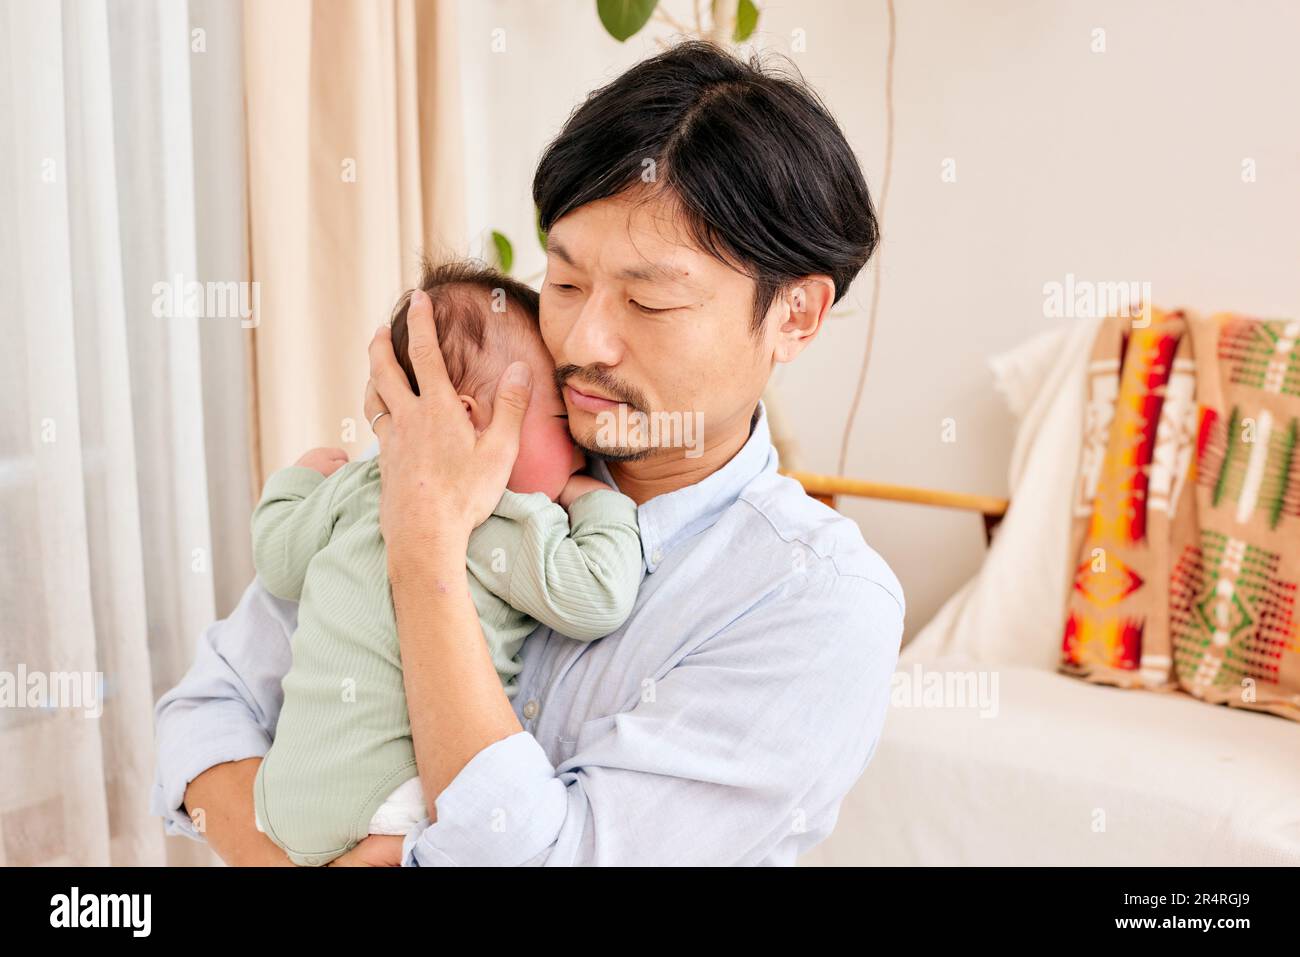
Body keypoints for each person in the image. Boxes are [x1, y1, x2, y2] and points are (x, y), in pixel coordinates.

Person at [152, 39, 905, 866]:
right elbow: (203, 710)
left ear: (795, 315)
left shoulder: (816, 602)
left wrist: (426, 545)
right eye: (568, 282)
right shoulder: (458, 445)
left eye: (650, 301)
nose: (584, 342)